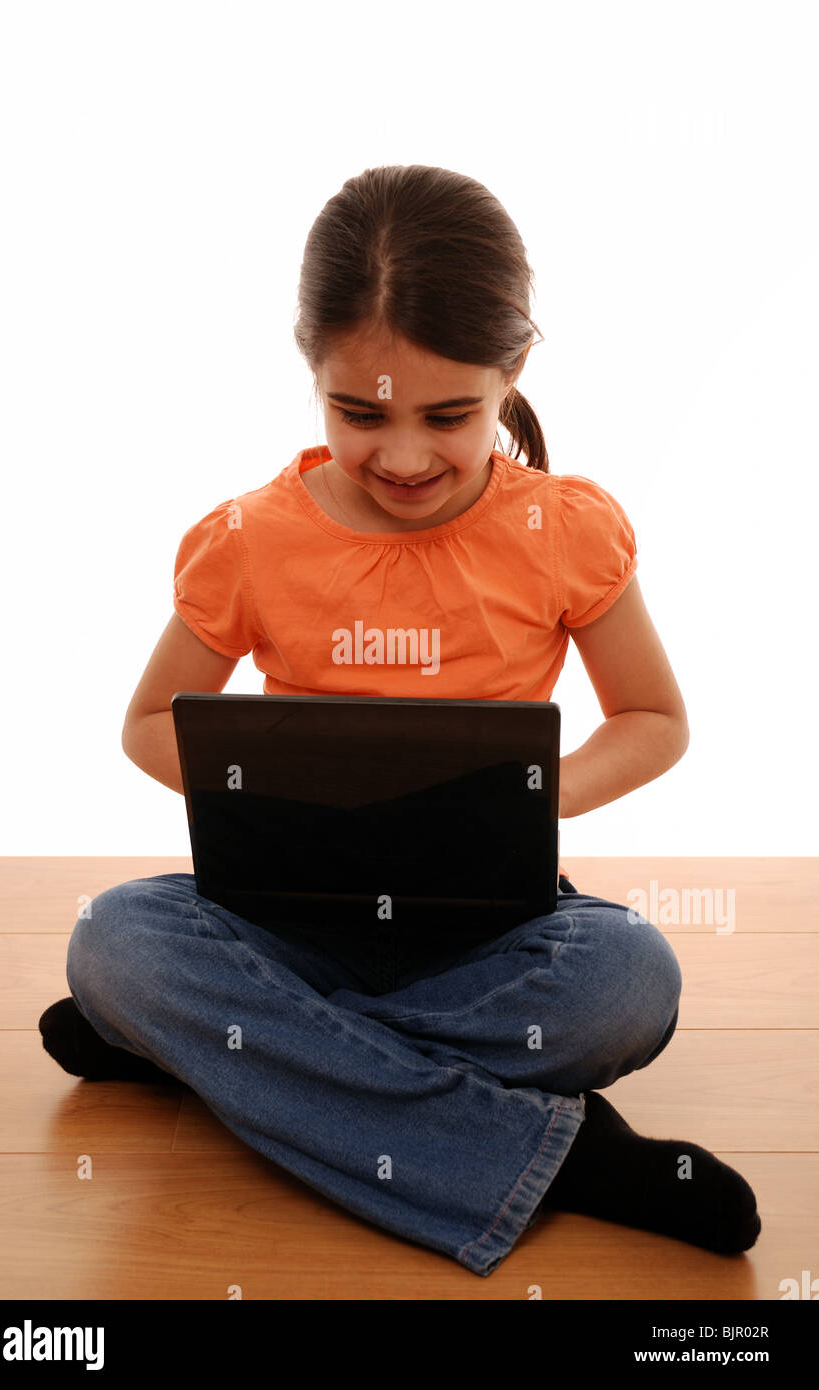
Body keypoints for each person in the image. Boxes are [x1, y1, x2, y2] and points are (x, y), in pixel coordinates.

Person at [40, 164, 760, 1277]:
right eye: (358, 413)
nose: (405, 456)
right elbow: (145, 722)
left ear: (510, 368)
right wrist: (271, 796)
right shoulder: (246, 537)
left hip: (487, 928)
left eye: (449, 415)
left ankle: (222, 1051)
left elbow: (654, 717)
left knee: (628, 977)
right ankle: (554, 1156)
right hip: (284, 911)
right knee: (115, 939)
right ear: (311, 372)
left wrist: (529, 801)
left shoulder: (566, 528)